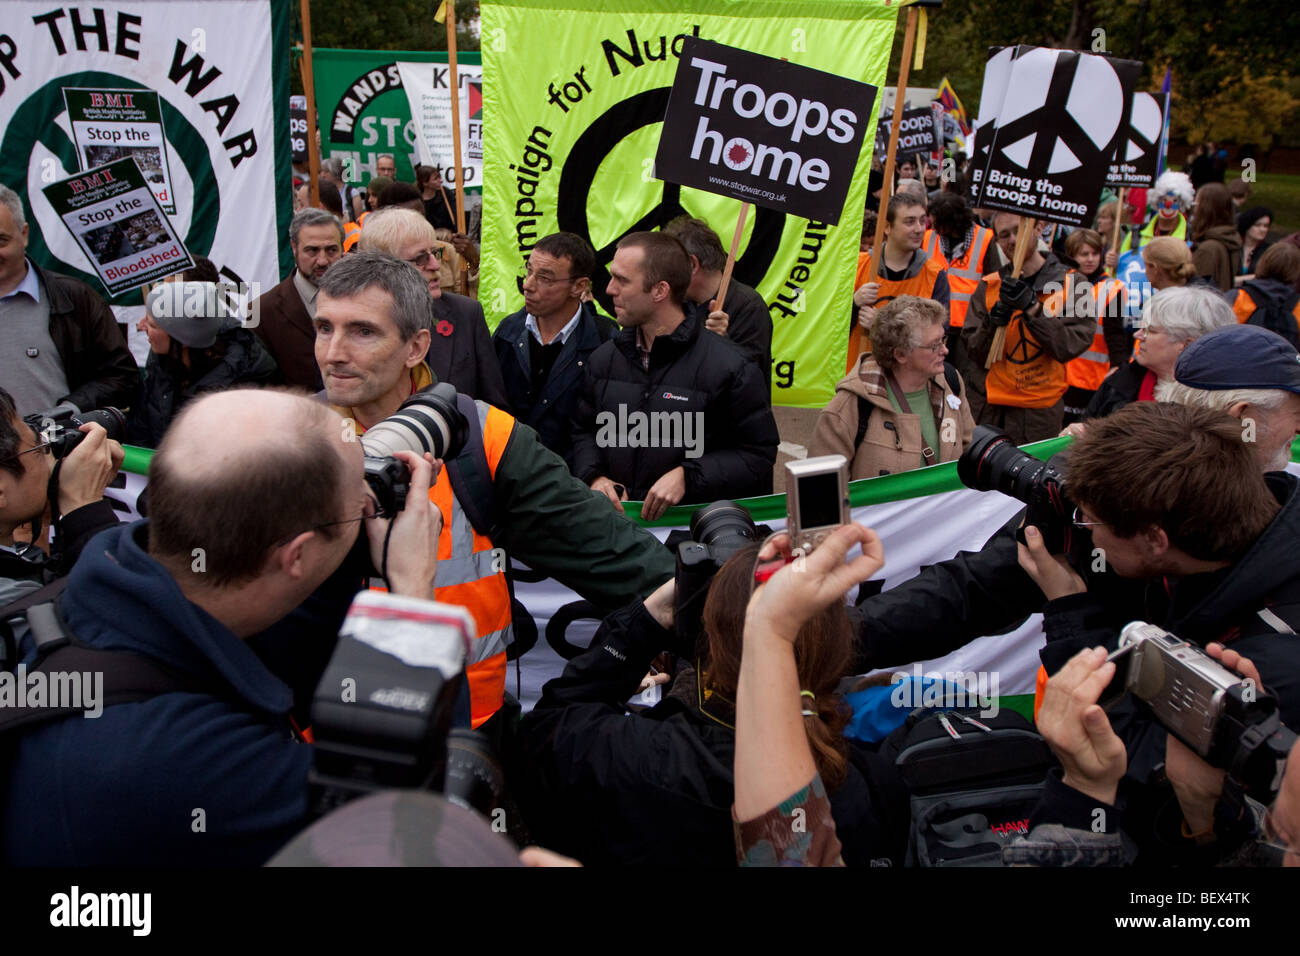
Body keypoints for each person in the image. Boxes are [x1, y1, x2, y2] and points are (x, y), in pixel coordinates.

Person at [0, 387, 446, 866]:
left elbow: (261, 643)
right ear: (294, 554)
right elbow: (400, 830)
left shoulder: (92, 591)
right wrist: (412, 594)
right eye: (361, 503)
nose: (368, 506)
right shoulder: (181, 759)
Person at [314, 251, 675, 727]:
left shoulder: (483, 438)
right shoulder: (286, 442)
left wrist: (730, 606)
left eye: (363, 331)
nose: (334, 352)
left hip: (465, 732)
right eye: (323, 328)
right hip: (318, 742)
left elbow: (619, 559)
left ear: (416, 347)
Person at [1013, 402, 1300, 861]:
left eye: (1092, 522)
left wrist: (1070, 611)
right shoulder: (1229, 536)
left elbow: (1139, 764)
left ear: (1155, 539)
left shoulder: (1277, 656)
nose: (1088, 535)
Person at [513, 535, 907, 866]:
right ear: (836, 650)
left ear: (706, 637)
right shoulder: (871, 786)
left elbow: (540, 739)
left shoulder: (627, 753)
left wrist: (643, 624)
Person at [571, 232, 778, 519]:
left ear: (660, 291)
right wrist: (594, 477)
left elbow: (758, 452)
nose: (609, 289)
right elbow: (583, 432)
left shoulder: (730, 366)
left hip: (690, 543)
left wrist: (687, 475)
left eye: (622, 280)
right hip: (614, 537)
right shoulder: (603, 360)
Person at [733, 523, 887, 866]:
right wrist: (768, 627)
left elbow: (789, 852)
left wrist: (767, 627)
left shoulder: (652, 757)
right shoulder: (878, 781)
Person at [0, 184, 138, 419]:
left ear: (24, 234)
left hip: (55, 452)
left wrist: (69, 410)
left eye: (1, 240)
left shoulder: (75, 299)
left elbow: (120, 376)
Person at [356, 209, 508, 410]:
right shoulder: (351, 325)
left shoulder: (466, 313)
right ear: (382, 267)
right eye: (420, 259)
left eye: (434, 253)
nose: (435, 265)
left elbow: (495, 409)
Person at [961, 212, 1092, 443]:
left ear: (1038, 227)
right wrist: (992, 324)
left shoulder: (1074, 283)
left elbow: (1069, 346)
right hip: (989, 410)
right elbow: (974, 352)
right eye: (1004, 235)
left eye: (1018, 230)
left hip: (1037, 415)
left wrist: (1033, 309)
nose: (1012, 240)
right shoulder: (989, 285)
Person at [809, 295, 974, 479]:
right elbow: (821, 491)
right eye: (934, 346)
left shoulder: (950, 382)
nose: (945, 350)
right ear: (901, 354)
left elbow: (971, 452)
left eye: (943, 340)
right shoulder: (852, 404)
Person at [0, 387, 123, 624]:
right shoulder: (16, 607)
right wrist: (85, 508)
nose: (50, 453)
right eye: (39, 445)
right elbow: (123, 619)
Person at [492, 232, 616, 468]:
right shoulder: (508, 332)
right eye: (528, 271)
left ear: (579, 286)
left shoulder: (604, 340)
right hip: (508, 473)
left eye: (545, 278)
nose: (527, 285)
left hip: (574, 480)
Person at [129, 280, 280, 447]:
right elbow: (140, 429)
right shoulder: (161, 358)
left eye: (152, 324)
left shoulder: (244, 384)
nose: (141, 326)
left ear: (183, 340)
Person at [1076, 285, 1235, 426]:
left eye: (1149, 331)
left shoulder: (1222, 406)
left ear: (1187, 345)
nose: (1137, 335)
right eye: (1141, 328)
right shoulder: (1120, 382)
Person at [664, 215, 773, 379]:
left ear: (692, 265)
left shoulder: (749, 307)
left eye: (670, 264)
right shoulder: (677, 302)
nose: (665, 273)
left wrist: (722, 342)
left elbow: (749, 379)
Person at [850, 194, 950, 370]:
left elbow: (936, 336)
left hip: (907, 381)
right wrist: (854, 303)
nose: (919, 229)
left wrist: (881, 325)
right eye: (910, 222)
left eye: (922, 221)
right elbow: (830, 326)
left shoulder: (935, 276)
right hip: (857, 376)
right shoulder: (857, 266)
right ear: (887, 227)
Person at [250, 208, 343, 390]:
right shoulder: (261, 312)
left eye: (331, 250)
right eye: (312, 251)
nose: (322, 260)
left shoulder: (363, 299)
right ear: (294, 249)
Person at [1060, 229, 1129, 424]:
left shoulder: (1111, 288)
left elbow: (1116, 334)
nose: (1090, 259)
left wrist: (1118, 366)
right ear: (1072, 256)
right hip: (1062, 375)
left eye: (1095, 253)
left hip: (1093, 377)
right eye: (1084, 254)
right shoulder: (1061, 283)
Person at [923, 192, 1000, 343]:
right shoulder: (928, 238)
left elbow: (994, 281)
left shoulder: (985, 238)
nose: (934, 228)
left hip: (970, 326)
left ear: (951, 223)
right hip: (933, 322)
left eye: (937, 224)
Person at [1191, 182, 1244, 291]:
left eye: (1196, 204)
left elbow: (1195, 291)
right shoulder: (1230, 238)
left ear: (1205, 209)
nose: (1194, 210)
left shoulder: (1208, 249)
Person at [417, 164, 458, 232]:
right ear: (425, 183)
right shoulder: (417, 199)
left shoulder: (446, 193)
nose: (440, 181)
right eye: (436, 179)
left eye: (439, 177)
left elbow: (455, 216)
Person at [1237, 205, 1274, 278]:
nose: (1262, 229)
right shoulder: (1233, 246)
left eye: (1266, 226)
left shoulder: (1269, 251)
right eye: (1258, 225)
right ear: (1247, 225)